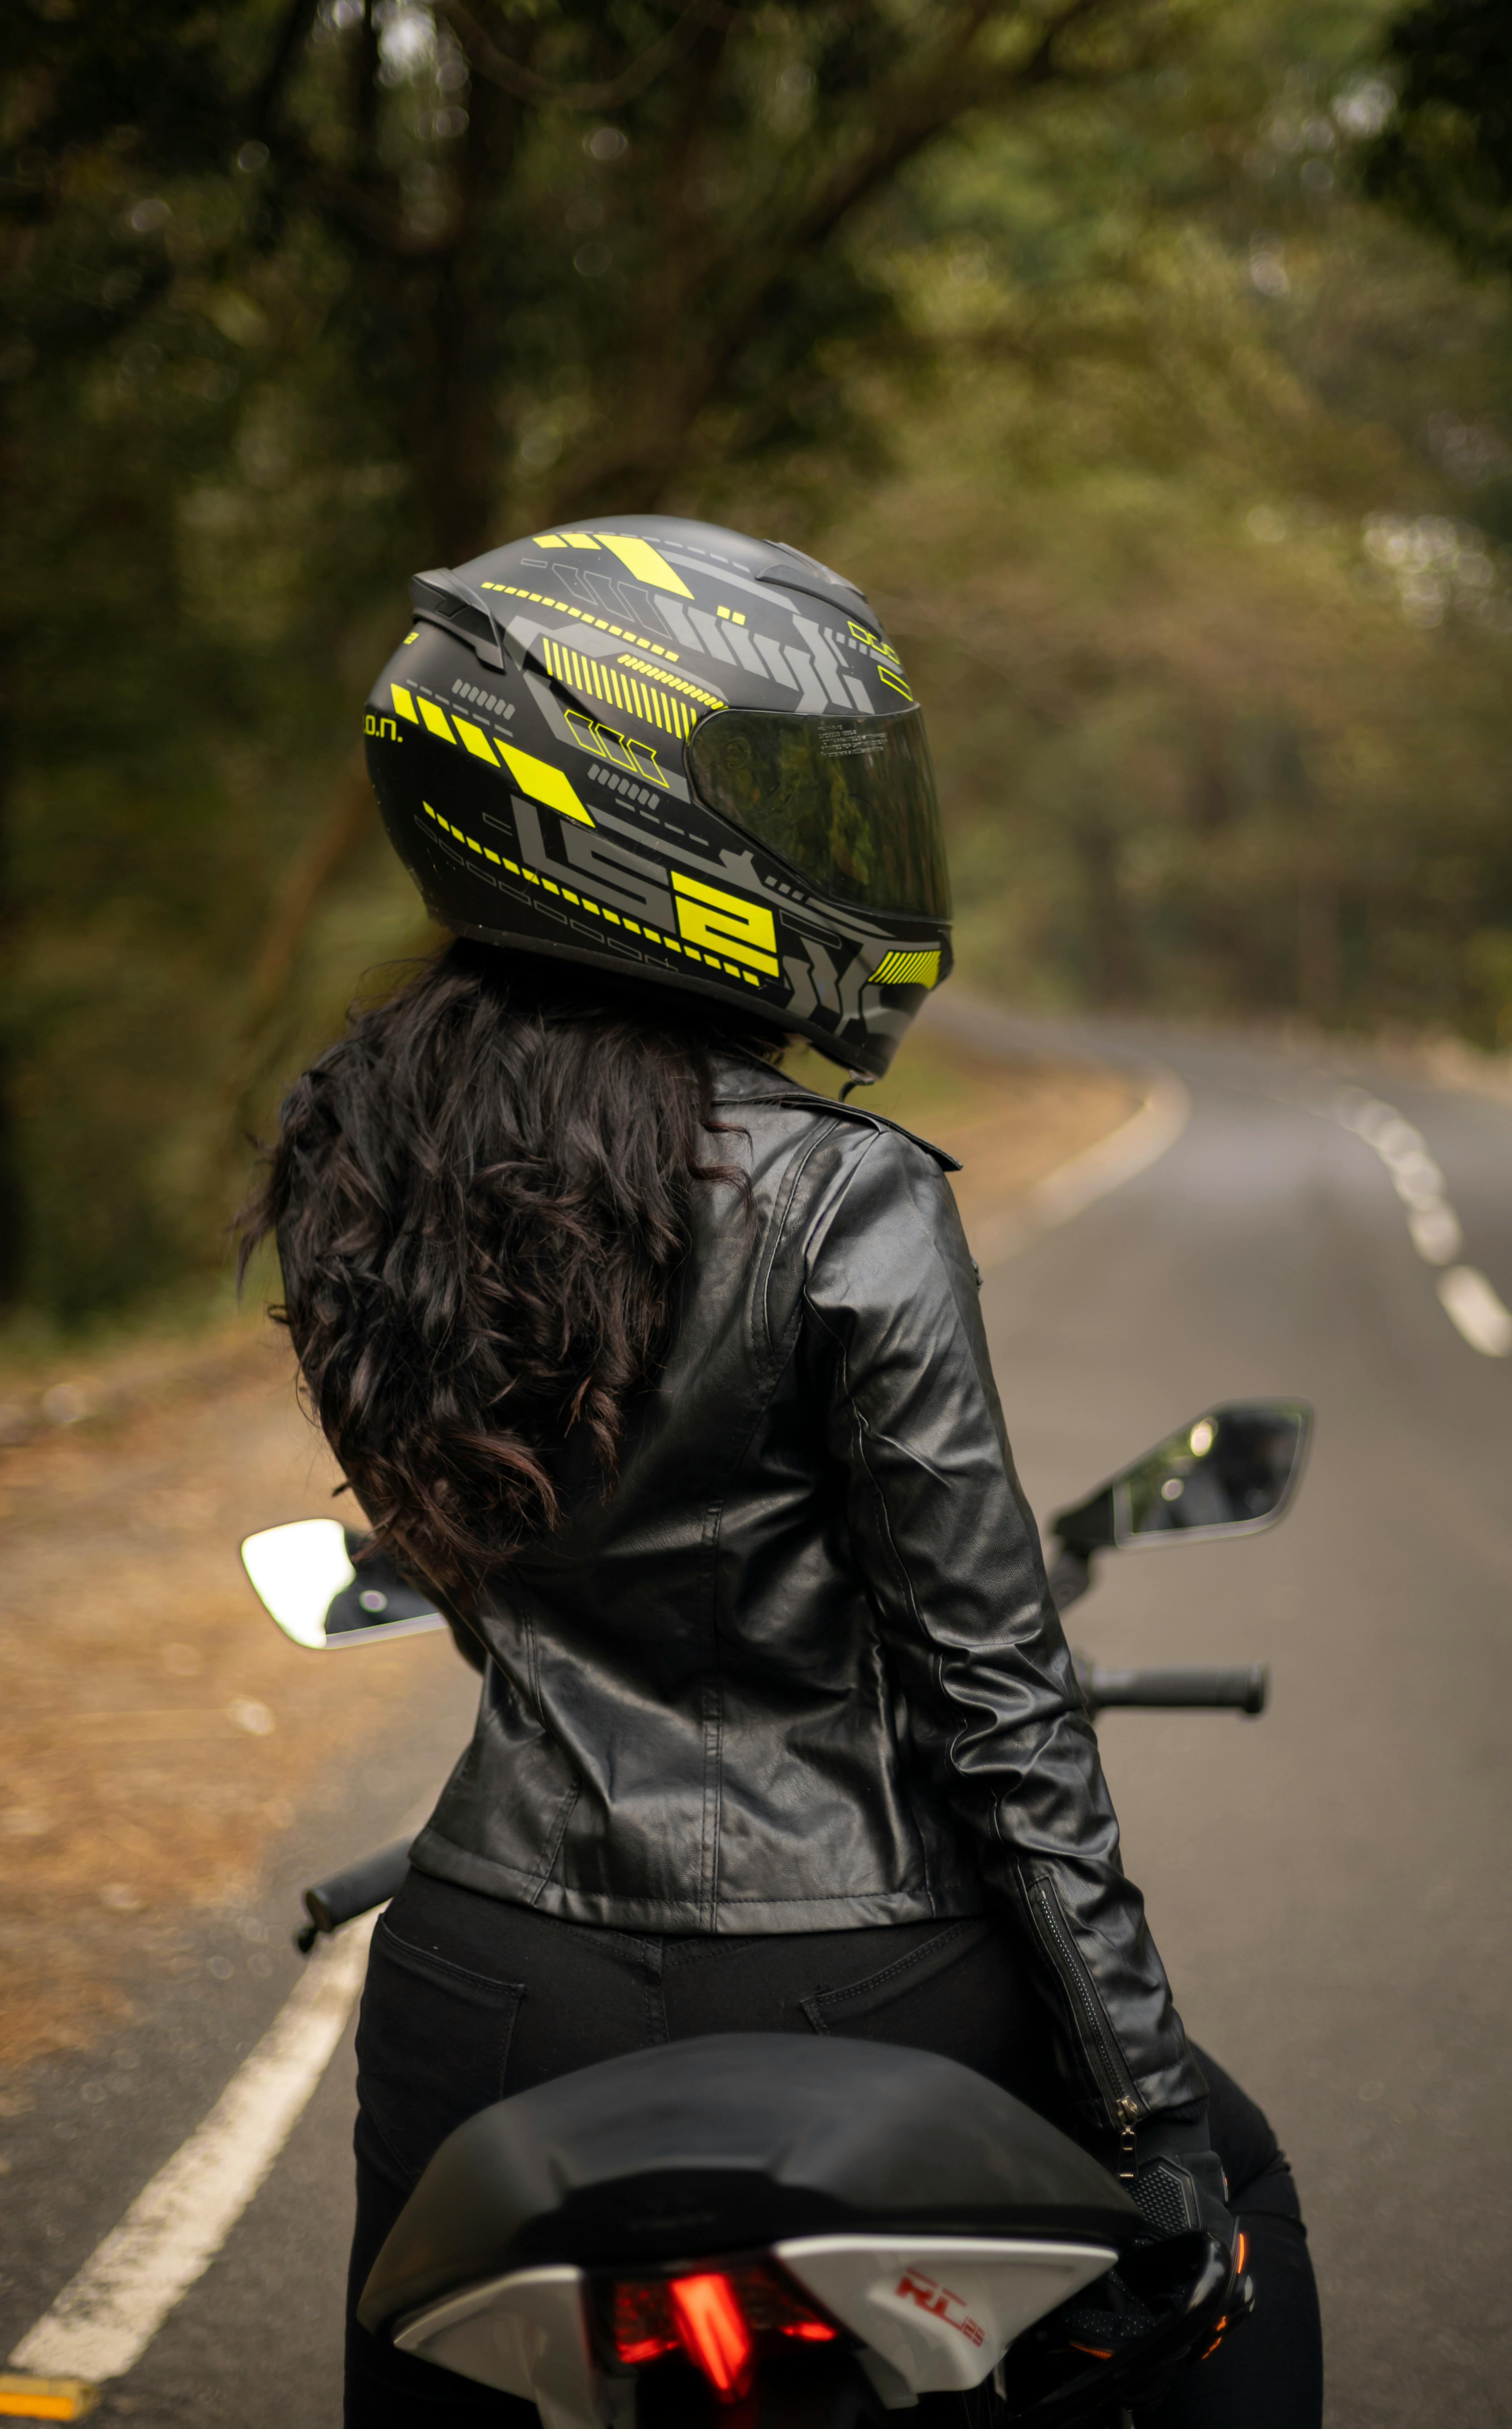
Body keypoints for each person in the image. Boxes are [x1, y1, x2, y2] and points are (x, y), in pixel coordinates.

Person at [240, 516, 1321, 2426]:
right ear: (639, 826)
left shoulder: (356, 1162)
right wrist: (1147, 2116)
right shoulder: (845, 1191)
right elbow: (995, 1694)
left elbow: (487, 1554)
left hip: (491, 1970)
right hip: (866, 1967)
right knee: (1237, 2200)